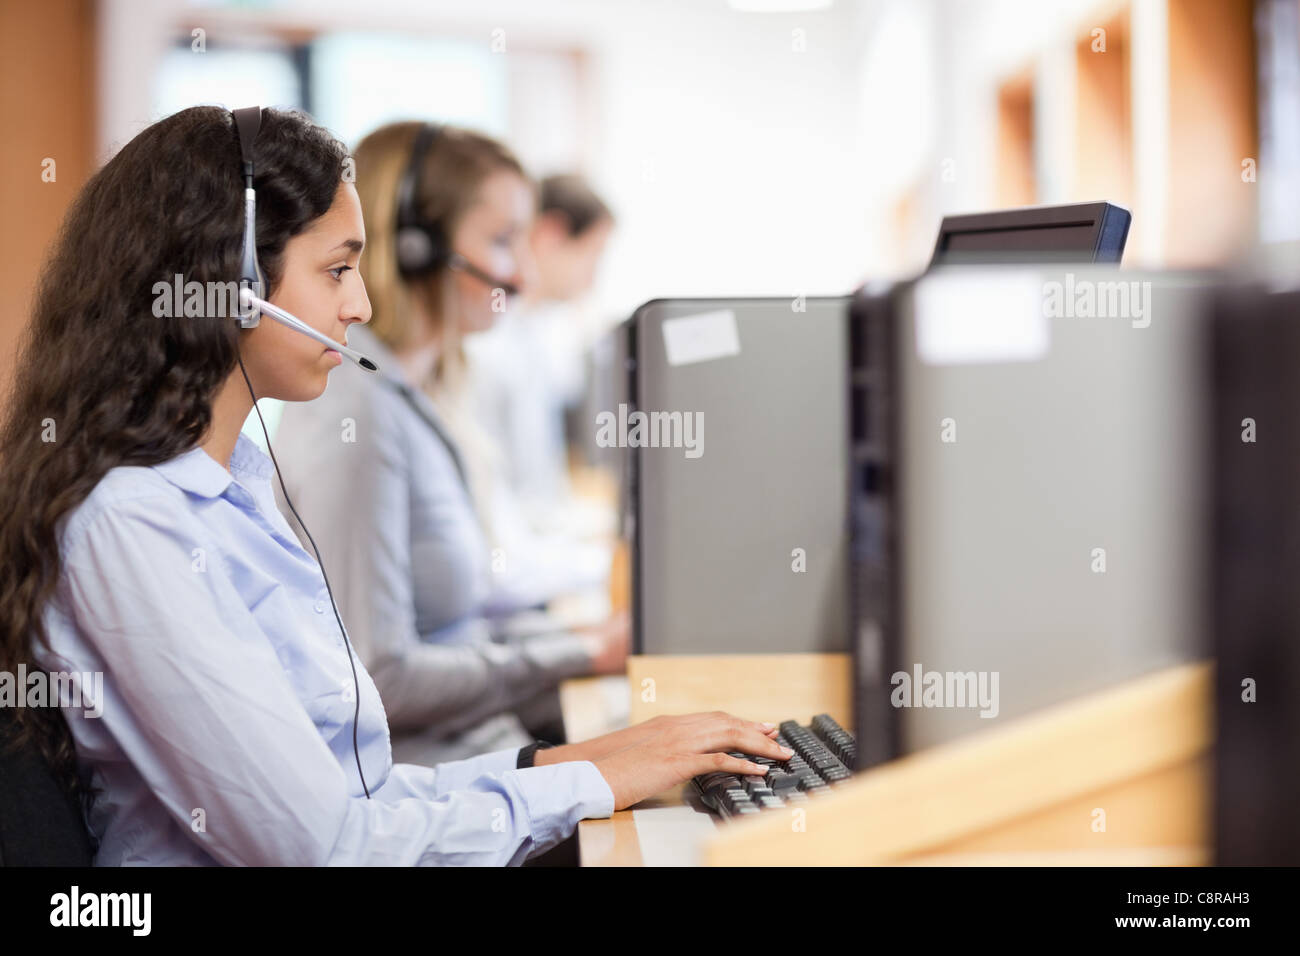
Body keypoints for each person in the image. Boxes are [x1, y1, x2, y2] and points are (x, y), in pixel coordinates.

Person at [0, 105, 789, 866]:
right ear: (232, 280)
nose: (361, 303)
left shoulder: (232, 486)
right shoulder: (135, 525)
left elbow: (357, 800)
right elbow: (325, 848)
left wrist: (582, 762)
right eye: (338, 269)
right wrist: (587, 777)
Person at [271, 122, 623, 767]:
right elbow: (380, 677)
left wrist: (584, 640)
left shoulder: (417, 394)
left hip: (477, 752)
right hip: (432, 784)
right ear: (415, 248)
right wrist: (584, 650)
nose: (519, 272)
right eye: (499, 240)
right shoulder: (358, 411)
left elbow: (461, 625)